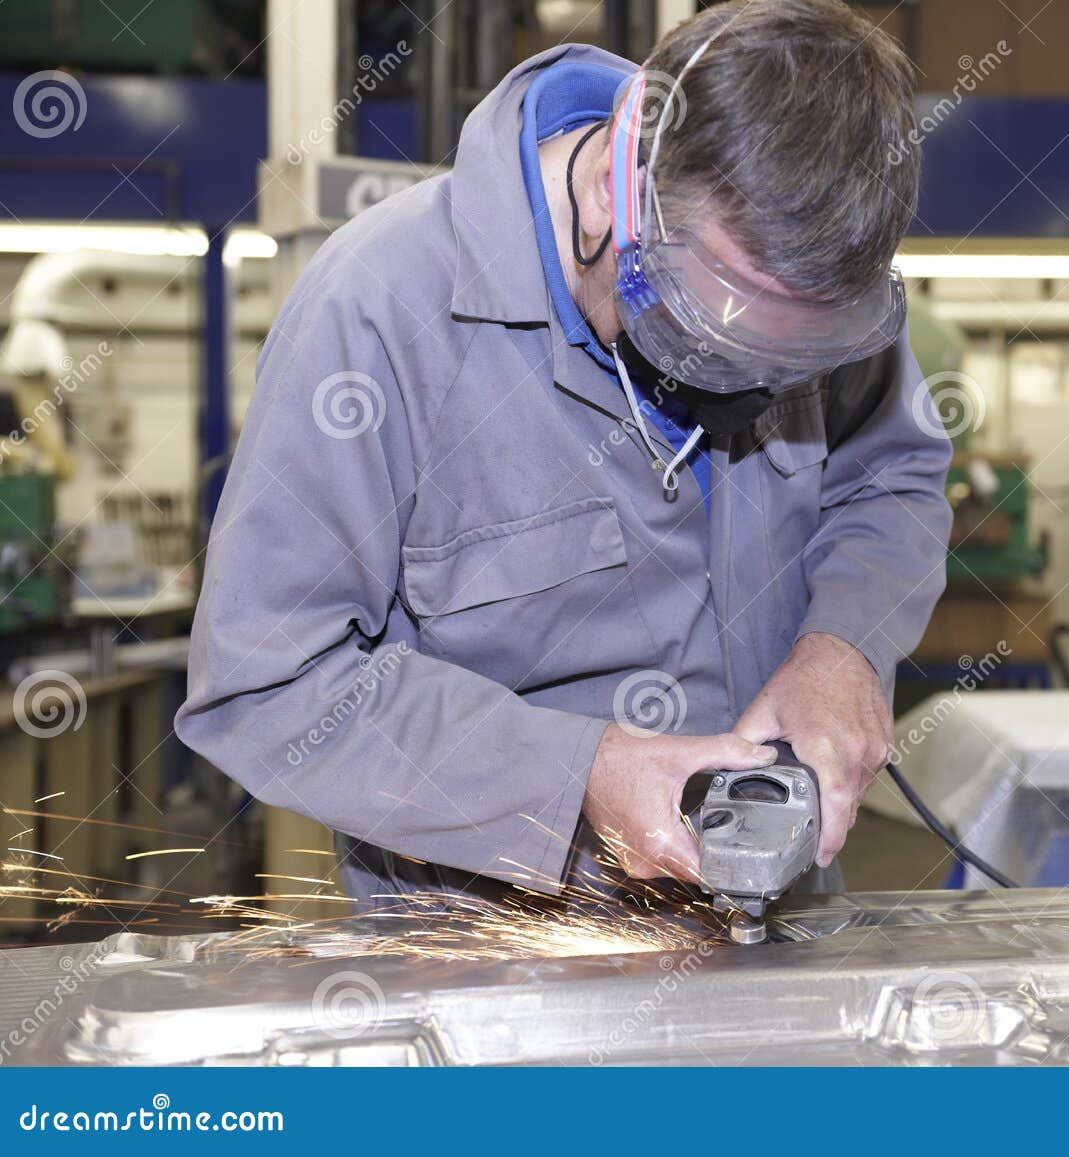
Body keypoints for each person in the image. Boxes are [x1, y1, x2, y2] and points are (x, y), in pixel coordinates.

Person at [176, 0, 951, 908]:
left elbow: (892, 475)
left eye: (791, 361)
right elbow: (267, 684)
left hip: (772, 929)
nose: (750, 381)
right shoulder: (378, 314)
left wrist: (843, 645)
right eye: (711, 333)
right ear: (607, 199)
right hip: (492, 966)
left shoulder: (805, 276)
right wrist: (573, 775)